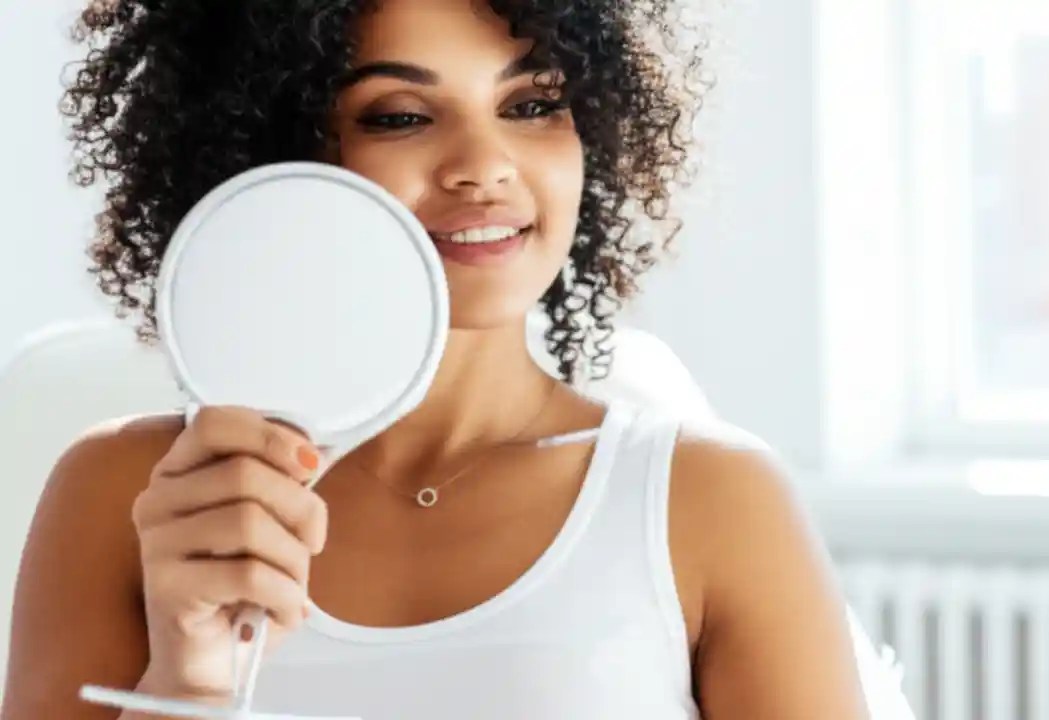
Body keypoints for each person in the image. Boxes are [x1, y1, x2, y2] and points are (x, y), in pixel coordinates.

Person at [2, 0, 869, 717]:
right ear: (275, 153)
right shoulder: (125, 495)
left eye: (532, 105)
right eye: (401, 117)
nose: (484, 167)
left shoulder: (713, 500)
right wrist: (186, 680)